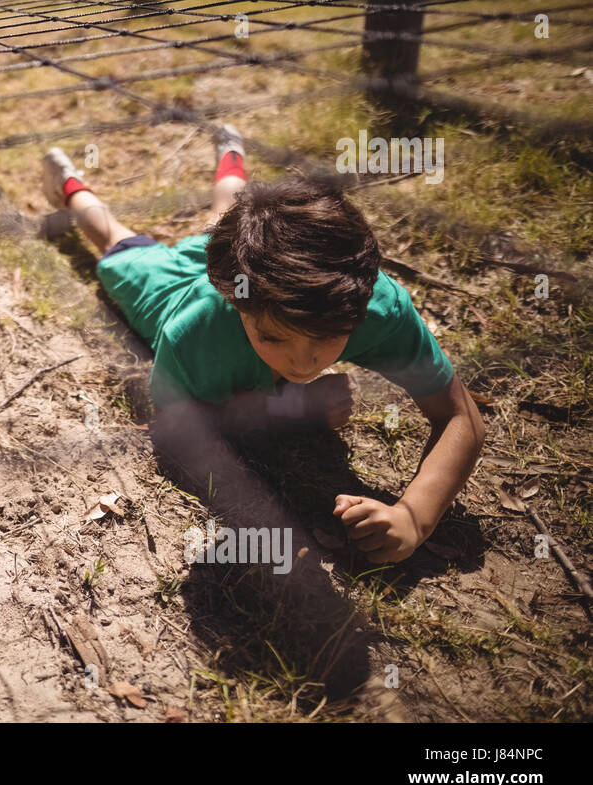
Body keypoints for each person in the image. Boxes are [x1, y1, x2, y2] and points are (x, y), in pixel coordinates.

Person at [40, 127, 485, 563]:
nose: (303, 359)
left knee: (223, 222)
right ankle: (69, 184)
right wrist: (293, 407)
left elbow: (459, 416)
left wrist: (415, 516)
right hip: (172, 286)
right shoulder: (192, 332)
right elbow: (177, 426)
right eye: (273, 336)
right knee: (115, 244)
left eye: (328, 336)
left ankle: (230, 149)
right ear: (235, 306)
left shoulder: (376, 306)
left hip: (245, 262)